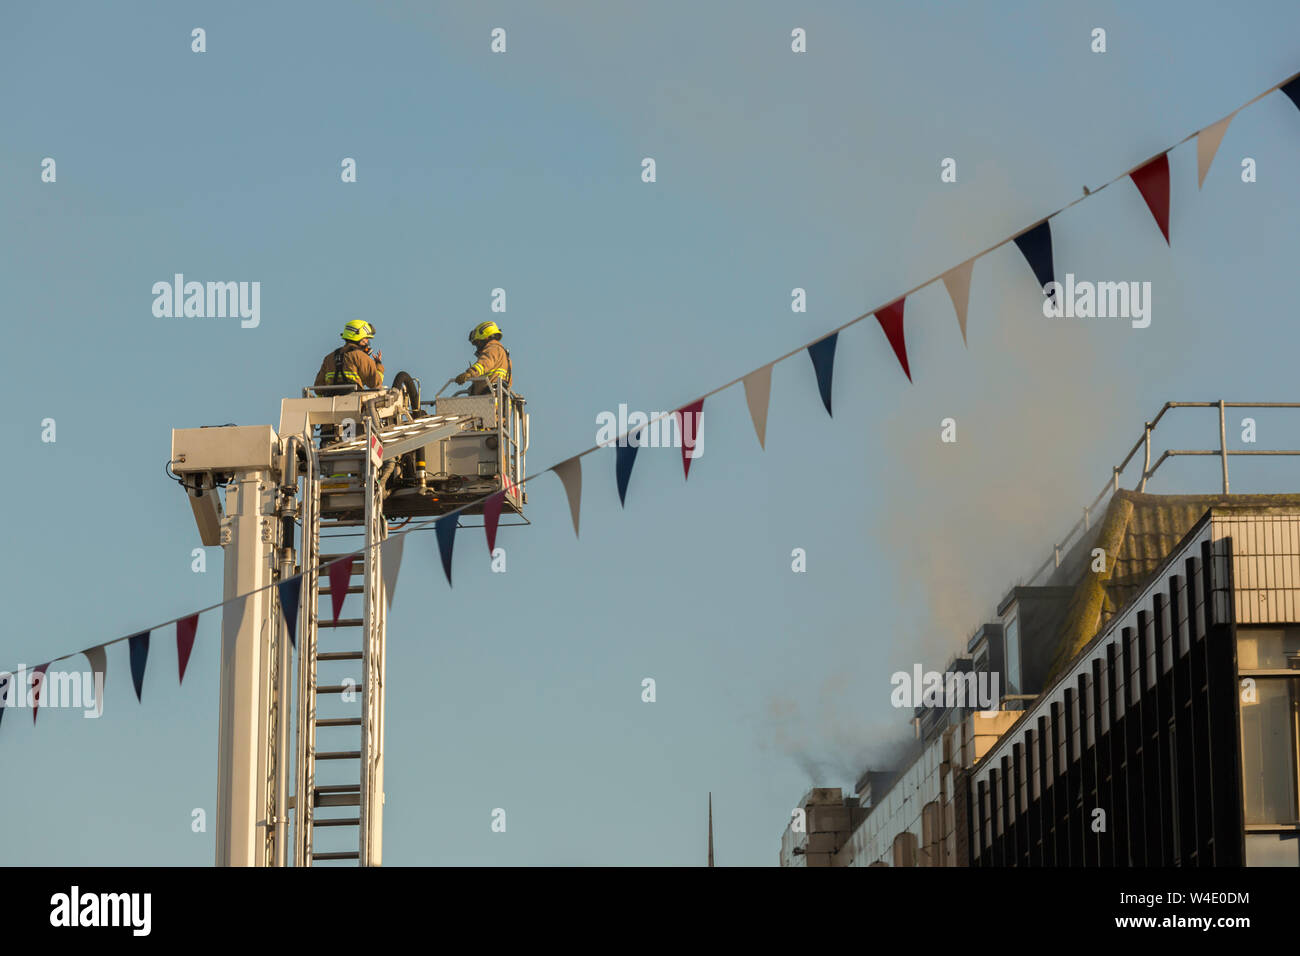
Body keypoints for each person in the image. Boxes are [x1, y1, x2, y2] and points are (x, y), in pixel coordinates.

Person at [316, 320, 385, 390]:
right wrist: (378, 365)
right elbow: (376, 383)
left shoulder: (329, 358)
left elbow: (318, 388)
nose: (367, 342)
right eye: (366, 338)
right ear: (359, 336)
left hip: (330, 399)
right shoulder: (360, 356)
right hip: (354, 399)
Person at [455, 321, 512, 395]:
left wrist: (469, 374)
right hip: (497, 398)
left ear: (486, 337)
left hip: (489, 398)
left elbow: (484, 364)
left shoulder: (493, 349)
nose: (477, 347)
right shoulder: (503, 355)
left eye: (478, 342)